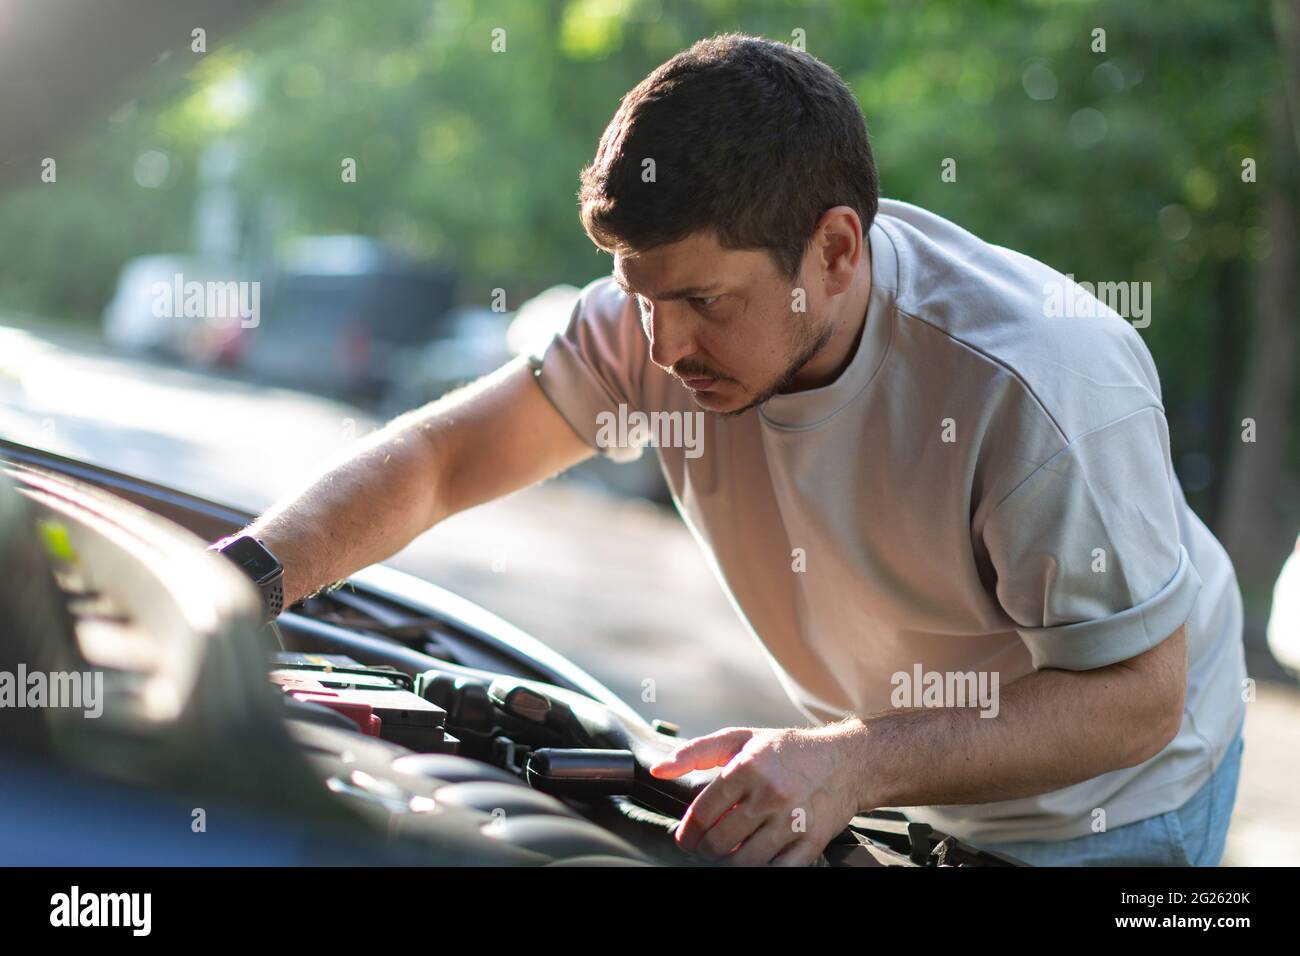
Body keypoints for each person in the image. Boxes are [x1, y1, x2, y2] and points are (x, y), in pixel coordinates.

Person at [225, 35, 1247, 866]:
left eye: (705, 301)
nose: (663, 347)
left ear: (835, 251)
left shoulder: (1036, 383)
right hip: (903, 768)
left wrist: (852, 762)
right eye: (638, 291)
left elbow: (1134, 699)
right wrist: (241, 581)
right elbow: (443, 458)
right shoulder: (654, 320)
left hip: (1104, 806)